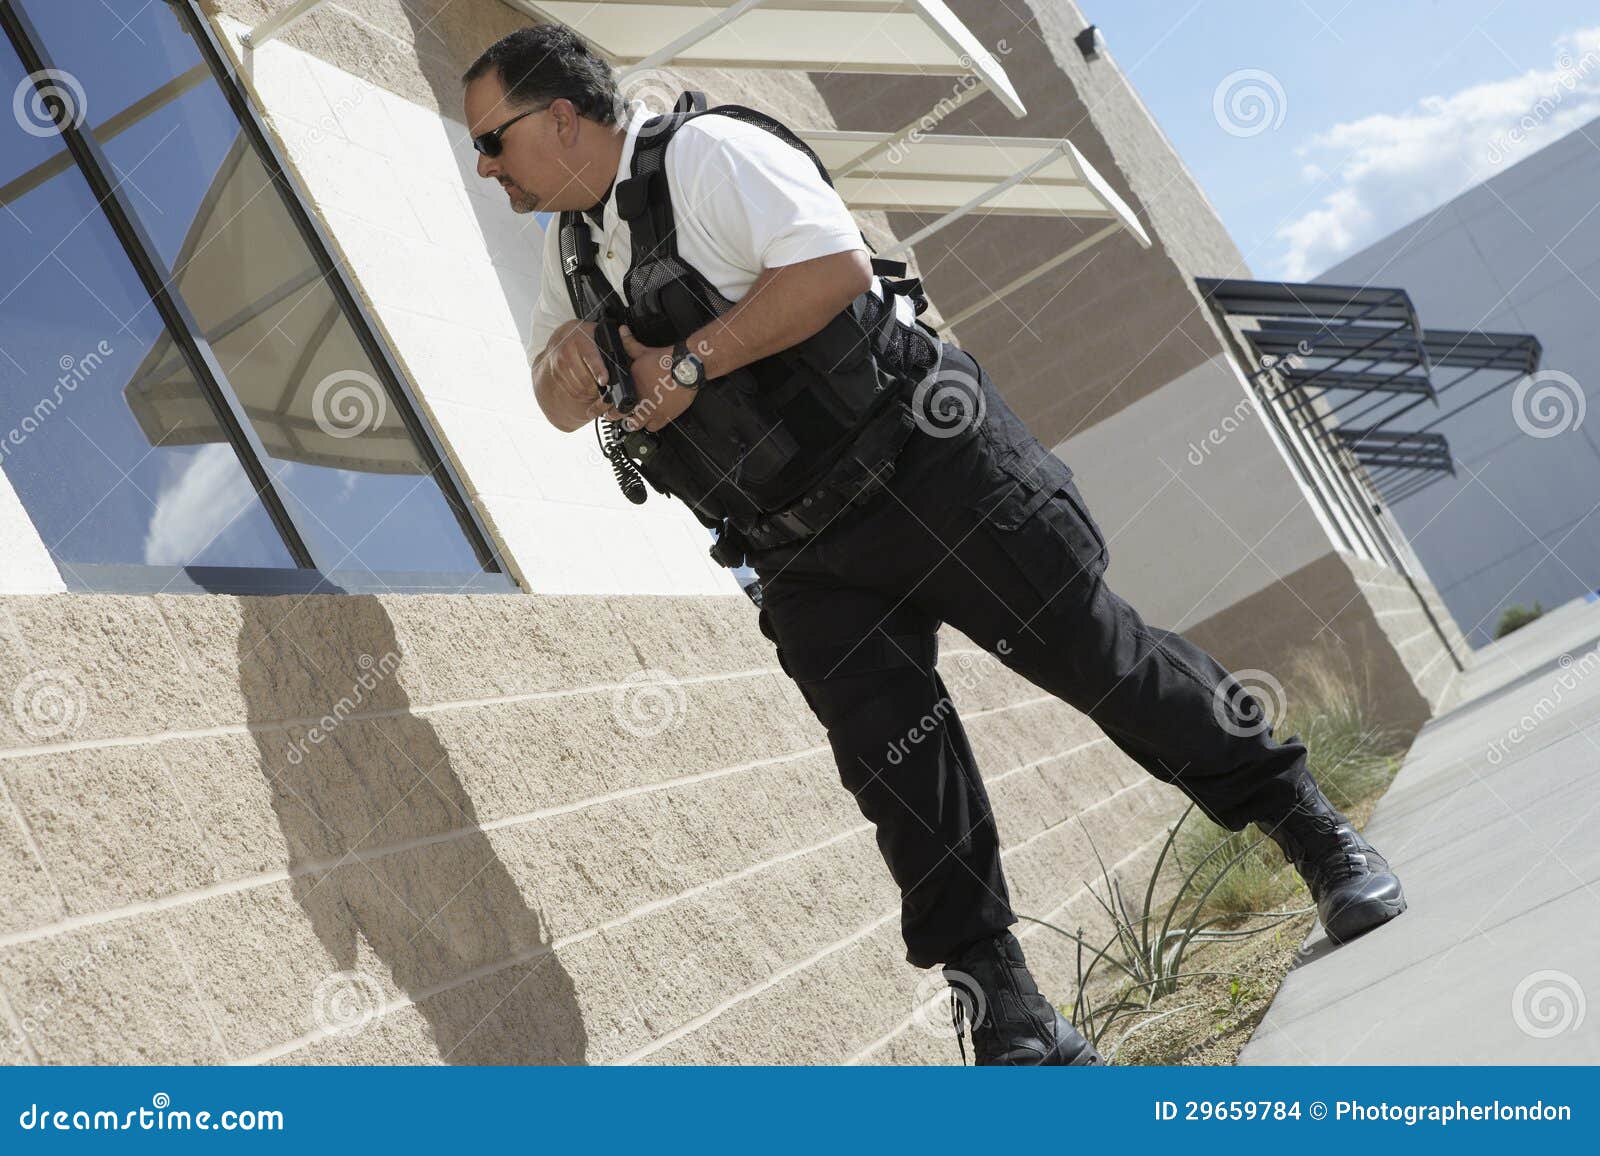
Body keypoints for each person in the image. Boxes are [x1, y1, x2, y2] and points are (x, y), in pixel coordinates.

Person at [463, 23, 1406, 1066]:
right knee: (897, 771)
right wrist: (587, 354)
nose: (485, 167)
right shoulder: (571, 247)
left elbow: (826, 269)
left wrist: (682, 362)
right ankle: (1007, 1009)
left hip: (926, 469)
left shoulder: (708, 155)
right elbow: (556, 395)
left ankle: (1311, 829)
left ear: (559, 116)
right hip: (799, 547)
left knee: (1099, 657)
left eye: (493, 142)